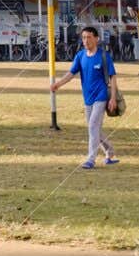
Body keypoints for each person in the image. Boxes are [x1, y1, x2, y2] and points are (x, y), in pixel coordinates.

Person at [50, 25, 119, 169]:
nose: (86, 40)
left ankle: (91, 159)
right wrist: (59, 84)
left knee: (93, 125)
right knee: (95, 128)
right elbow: (71, 73)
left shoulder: (104, 56)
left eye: (88, 37)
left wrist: (112, 98)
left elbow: (112, 77)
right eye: (83, 38)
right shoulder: (80, 56)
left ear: (96, 39)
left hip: (101, 96)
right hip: (87, 98)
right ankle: (110, 151)